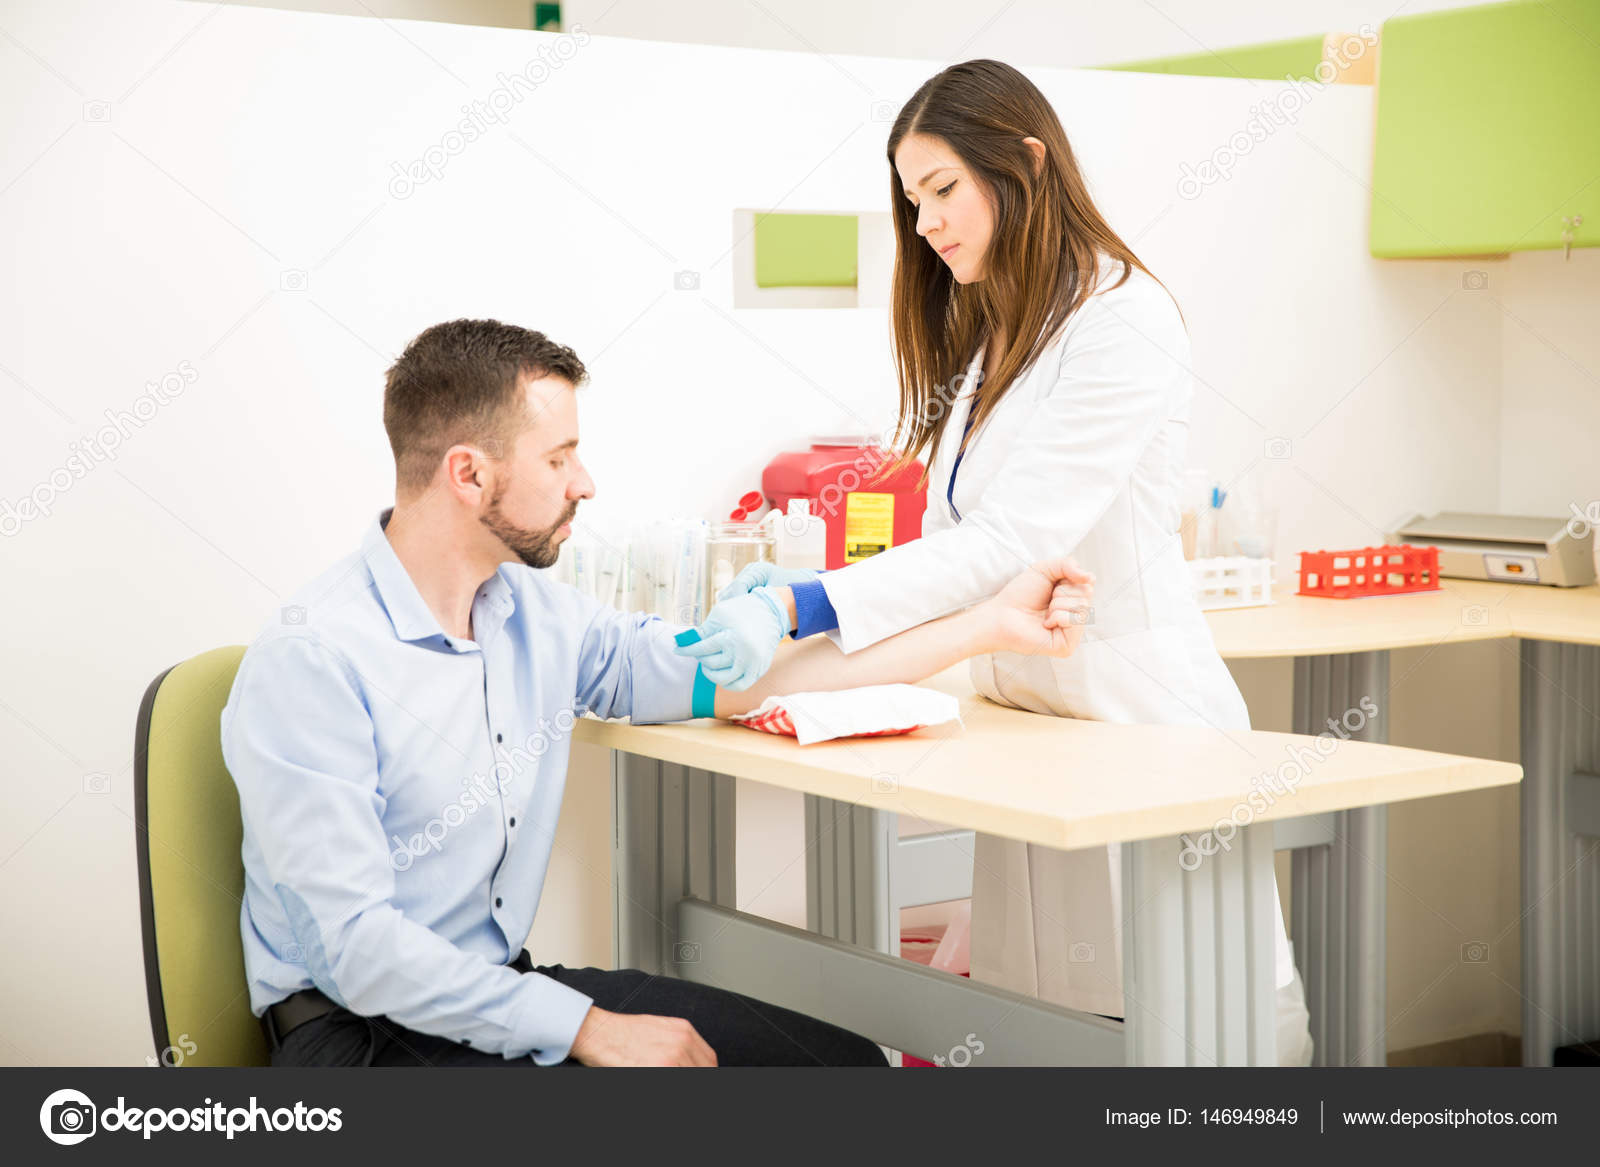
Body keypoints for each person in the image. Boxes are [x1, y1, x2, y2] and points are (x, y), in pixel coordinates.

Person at [221, 317, 1095, 1068]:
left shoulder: (532, 614)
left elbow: (737, 681)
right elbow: (360, 951)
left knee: (840, 1066)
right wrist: (590, 1030)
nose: (584, 482)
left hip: (492, 999)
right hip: (360, 1039)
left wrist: (987, 625)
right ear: (467, 474)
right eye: (558, 457)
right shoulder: (315, 660)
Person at [678, 60, 1314, 1064]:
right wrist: (814, 601)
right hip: (1032, 721)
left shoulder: (1123, 318)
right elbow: (958, 539)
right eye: (910, 198)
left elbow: (1018, 541)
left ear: (1022, 162)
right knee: (1044, 1026)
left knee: (1190, 1032)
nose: (924, 222)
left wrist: (806, 603)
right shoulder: (999, 333)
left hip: (1138, 713)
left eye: (940, 189)